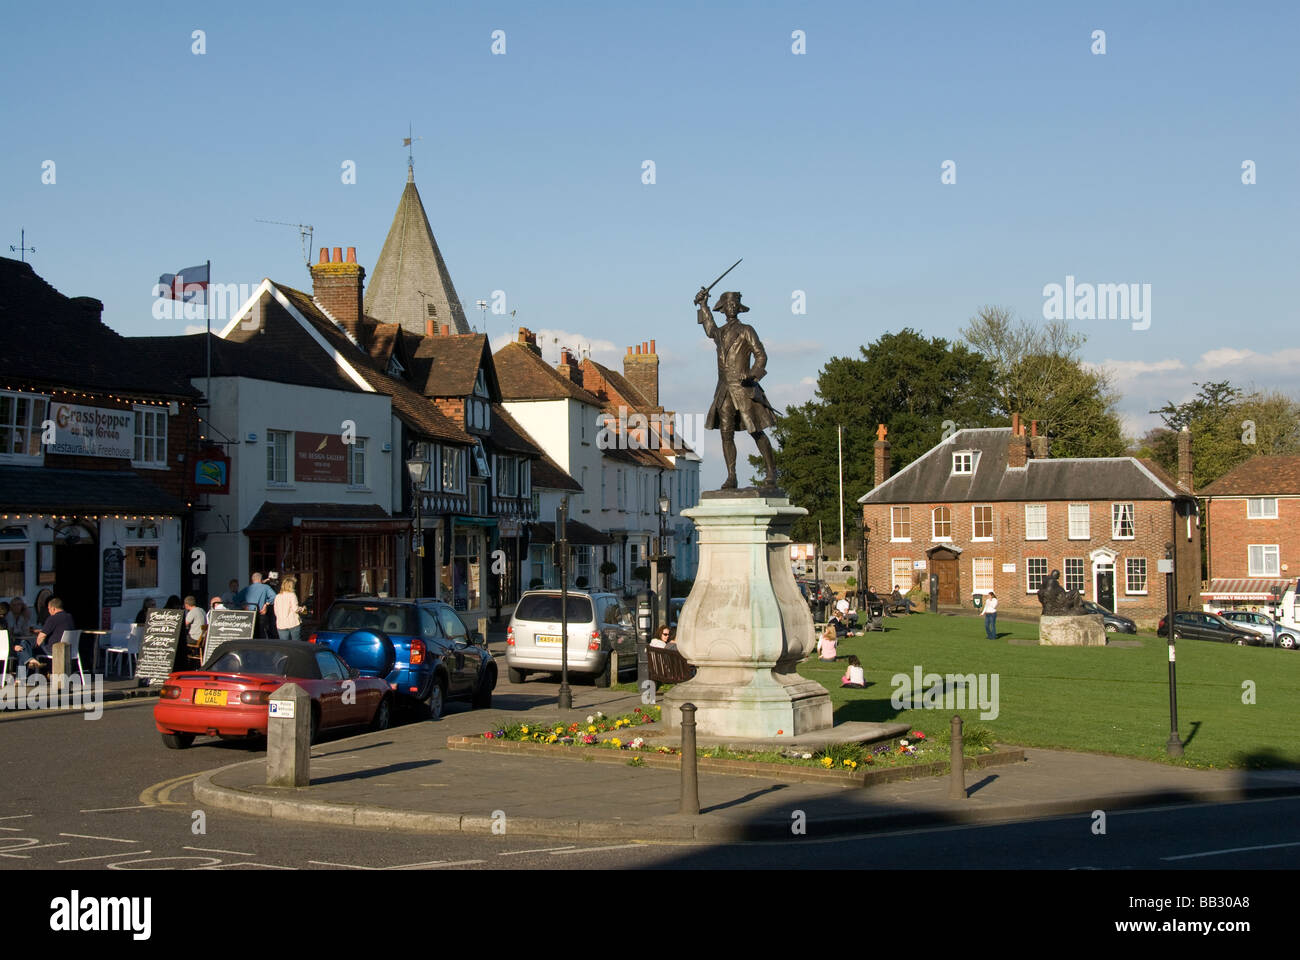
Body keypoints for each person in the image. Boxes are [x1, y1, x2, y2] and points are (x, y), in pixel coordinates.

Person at [694, 287, 780, 489]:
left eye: (734, 305)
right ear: (723, 309)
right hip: (724, 389)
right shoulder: (721, 332)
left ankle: (771, 472)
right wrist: (703, 304)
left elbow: (761, 356)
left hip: (743, 388)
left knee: (755, 430)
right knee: (726, 433)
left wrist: (751, 373)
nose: (731, 308)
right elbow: (709, 329)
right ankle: (731, 475)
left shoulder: (746, 330)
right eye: (728, 305)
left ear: (738, 308)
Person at [20, 596, 73, 680]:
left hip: (53, 649)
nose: (48, 611)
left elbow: (42, 636)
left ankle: (23, 676)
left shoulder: (53, 618)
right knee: (26, 650)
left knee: (23, 646)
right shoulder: (69, 617)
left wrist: (36, 646)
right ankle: (35, 666)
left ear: (53, 609)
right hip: (69, 649)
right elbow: (58, 630)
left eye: (49, 609)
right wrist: (41, 630)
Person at [241, 572, 277, 639]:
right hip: (261, 614)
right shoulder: (266, 587)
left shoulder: (247, 589)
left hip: (249, 615)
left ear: (252, 580)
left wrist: (244, 605)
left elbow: (235, 599)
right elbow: (274, 597)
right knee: (261, 635)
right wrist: (266, 604)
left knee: (250, 635)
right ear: (261, 579)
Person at [273, 576, 302, 642]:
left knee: (285, 644)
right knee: (296, 643)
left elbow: (276, 611)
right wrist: (302, 609)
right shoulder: (292, 595)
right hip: (292, 623)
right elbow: (295, 609)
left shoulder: (277, 596)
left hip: (281, 623)